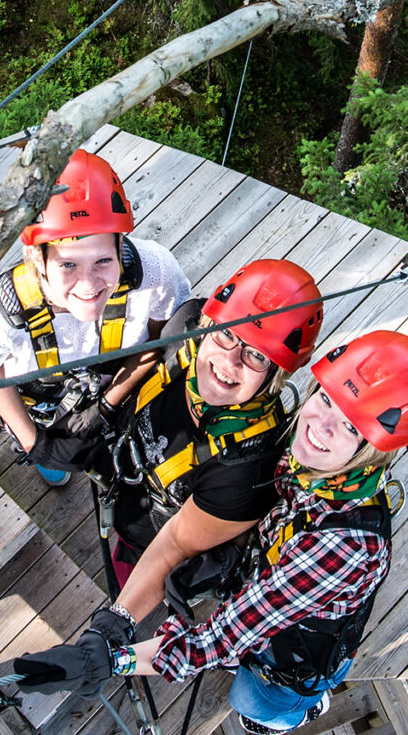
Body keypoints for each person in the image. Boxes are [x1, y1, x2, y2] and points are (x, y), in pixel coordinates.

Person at [10, 329, 408, 735]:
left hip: (291, 657)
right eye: (327, 399)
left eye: (352, 427)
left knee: (251, 700)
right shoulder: (317, 465)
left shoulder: (343, 547)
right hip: (276, 586)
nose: (321, 425)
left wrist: (106, 659)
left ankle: (301, 707)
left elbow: (215, 642)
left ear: (380, 452)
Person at [96, 257, 324, 619]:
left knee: (133, 577)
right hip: (121, 476)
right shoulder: (185, 326)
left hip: (152, 537)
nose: (229, 362)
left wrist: (116, 622)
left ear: (275, 374)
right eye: (228, 333)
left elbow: (173, 548)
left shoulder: (250, 467)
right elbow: (144, 360)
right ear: (208, 322)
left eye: (256, 355)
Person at [0, 148, 190, 485]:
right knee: (49, 439)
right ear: (37, 260)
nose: (88, 285)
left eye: (103, 261)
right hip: (40, 389)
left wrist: (112, 402)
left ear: (119, 247)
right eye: (68, 264)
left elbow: (160, 339)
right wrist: (33, 441)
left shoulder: (153, 272)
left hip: (118, 374)